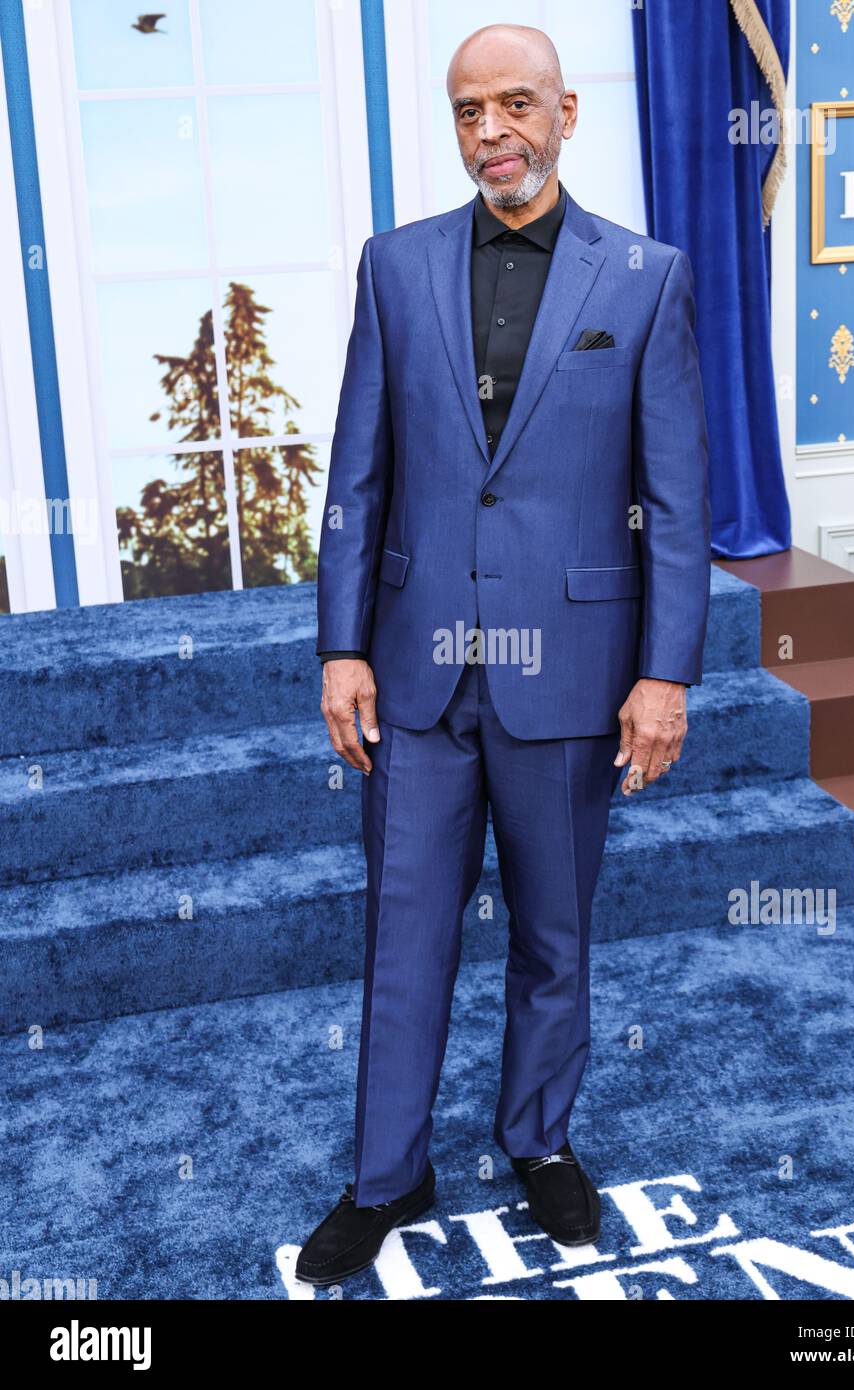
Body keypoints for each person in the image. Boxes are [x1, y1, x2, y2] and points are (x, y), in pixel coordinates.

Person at [296, 23, 711, 1285]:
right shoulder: (394, 266)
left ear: (567, 115)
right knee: (403, 930)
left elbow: (678, 498)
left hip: (578, 679)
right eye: (470, 111)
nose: (493, 133)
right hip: (417, 676)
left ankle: (539, 1144)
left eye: (516, 106)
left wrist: (666, 672)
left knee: (554, 933)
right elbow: (357, 478)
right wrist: (341, 646)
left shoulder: (644, 277)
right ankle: (387, 1175)